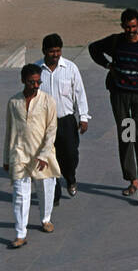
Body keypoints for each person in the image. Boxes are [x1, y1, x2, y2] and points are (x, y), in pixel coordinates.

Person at [88, 8, 138, 205]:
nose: (131, 30)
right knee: (127, 137)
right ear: (122, 27)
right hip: (121, 96)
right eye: (127, 27)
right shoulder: (116, 42)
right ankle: (133, 180)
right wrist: (108, 65)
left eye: (134, 27)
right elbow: (93, 48)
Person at [4, 64, 60, 248]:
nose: (36, 86)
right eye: (32, 82)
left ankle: (46, 219)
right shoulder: (13, 102)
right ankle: (21, 234)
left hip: (42, 155)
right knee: (20, 195)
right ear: (23, 81)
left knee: (45, 189)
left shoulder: (48, 101)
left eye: (38, 82)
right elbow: (9, 132)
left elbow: (51, 130)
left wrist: (44, 154)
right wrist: (6, 158)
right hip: (19, 154)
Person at [38, 34, 90, 200]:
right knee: (49, 156)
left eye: (58, 51)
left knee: (70, 155)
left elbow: (79, 93)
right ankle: (55, 192)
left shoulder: (70, 68)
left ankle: (70, 177)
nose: (55, 54)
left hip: (66, 120)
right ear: (44, 51)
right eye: (52, 51)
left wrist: (83, 117)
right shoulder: (36, 69)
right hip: (44, 123)